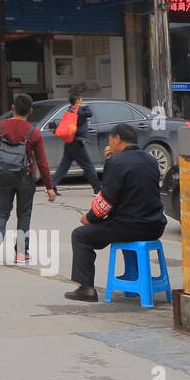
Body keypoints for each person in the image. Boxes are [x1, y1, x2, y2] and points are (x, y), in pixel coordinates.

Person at [64, 123, 168, 302]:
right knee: (120, 230)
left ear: (118, 139)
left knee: (80, 235)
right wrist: (111, 161)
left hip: (128, 226)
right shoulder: (150, 159)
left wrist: (89, 217)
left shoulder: (117, 163)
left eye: (110, 141)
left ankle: (86, 288)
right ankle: (133, 278)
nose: (109, 144)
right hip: (154, 225)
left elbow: (107, 199)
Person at [0, 93, 56, 264]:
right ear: (30, 111)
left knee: (2, 211)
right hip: (25, 177)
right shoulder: (33, 133)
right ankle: (21, 253)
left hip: (3, 174)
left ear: (12, 108)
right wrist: (49, 186)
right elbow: (42, 162)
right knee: (24, 214)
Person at [51, 89, 101, 197]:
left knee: (64, 165)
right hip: (77, 142)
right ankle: (97, 189)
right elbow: (90, 113)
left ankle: (51, 186)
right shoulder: (81, 111)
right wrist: (83, 105)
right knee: (88, 166)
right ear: (78, 100)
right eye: (81, 99)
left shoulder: (69, 110)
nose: (82, 101)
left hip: (69, 141)